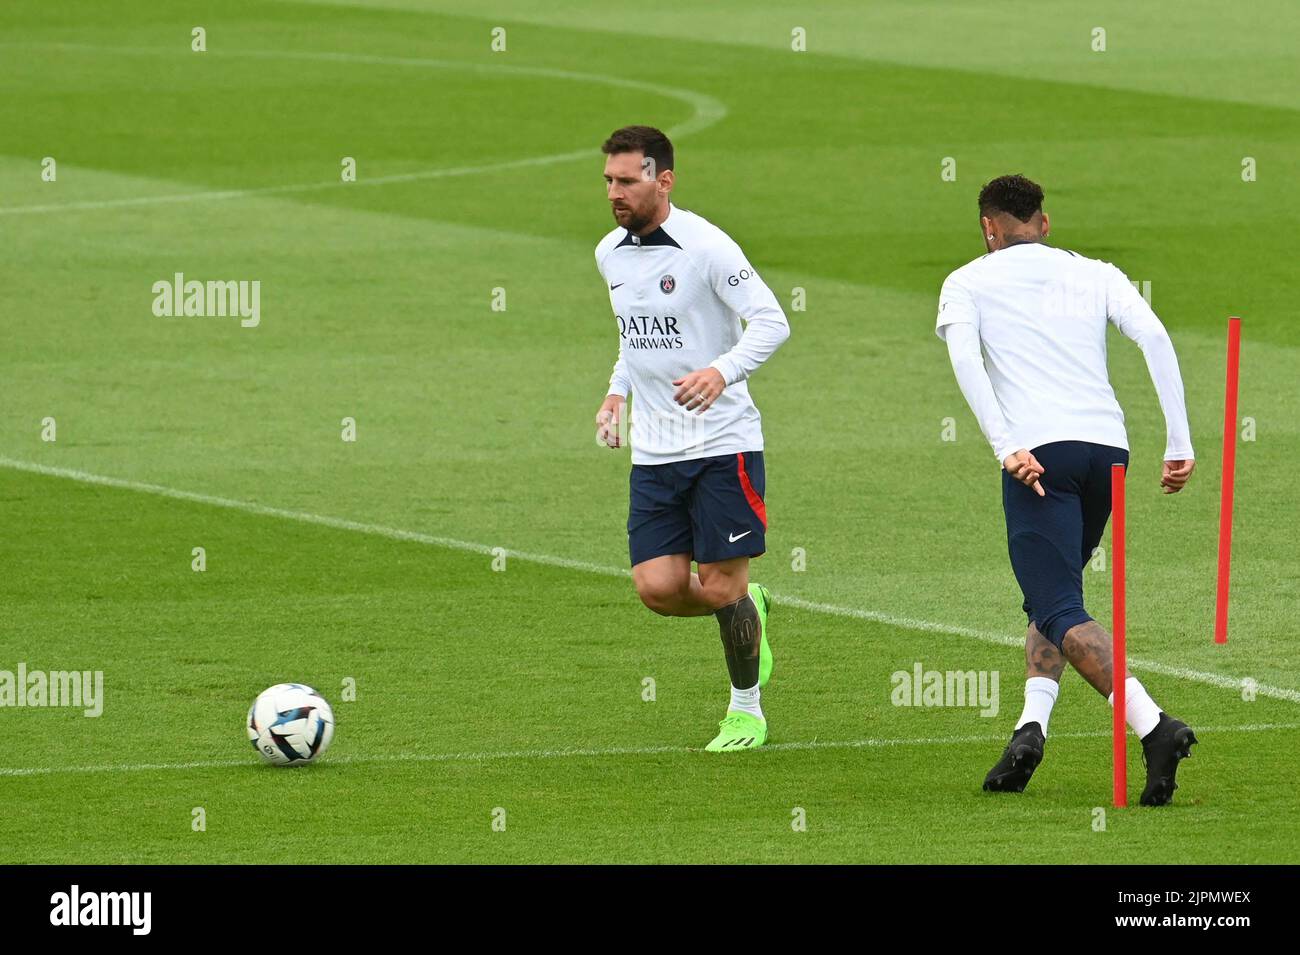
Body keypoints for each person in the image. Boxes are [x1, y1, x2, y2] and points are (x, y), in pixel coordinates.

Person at [936, 174, 1197, 804]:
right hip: (1107, 452)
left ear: (988, 229)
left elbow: (967, 362)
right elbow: (1155, 337)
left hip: (1039, 455)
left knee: (1056, 605)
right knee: (1053, 598)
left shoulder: (967, 280)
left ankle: (1154, 726)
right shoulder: (1096, 271)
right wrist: (1179, 441)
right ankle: (1030, 729)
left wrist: (1006, 447)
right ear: (1044, 224)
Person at [593, 125, 790, 752]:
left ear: (663, 179)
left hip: (723, 443)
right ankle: (747, 603)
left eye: (627, 180)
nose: (614, 193)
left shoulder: (708, 248)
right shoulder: (609, 254)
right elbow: (634, 334)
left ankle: (746, 711)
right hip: (654, 450)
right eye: (608, 181)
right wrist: (616, 390)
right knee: (657, 590)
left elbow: (772, 321)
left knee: (720, 585)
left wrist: (721, 369)